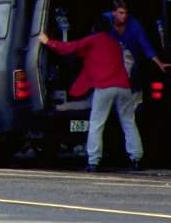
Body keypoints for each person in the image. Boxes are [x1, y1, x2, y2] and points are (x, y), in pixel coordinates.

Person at [39, 21, 144, 172]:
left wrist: (48, 41)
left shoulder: (93, 39)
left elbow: (69, 48)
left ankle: (93, 161)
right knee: (128, 122)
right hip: (123, 87)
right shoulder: (115, 43)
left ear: (93, 30)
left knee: (96, 123)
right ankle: (136, 158)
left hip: (104, 86)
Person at [102, 0, 171, 91]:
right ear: (113, 13)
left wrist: (159, 63)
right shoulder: (104, 20)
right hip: (108, 55)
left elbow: (145, 44)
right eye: (121, 13)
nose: (124, 16)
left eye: (126, 13)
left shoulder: (134, 24)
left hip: (128, 57)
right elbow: (94, 40)